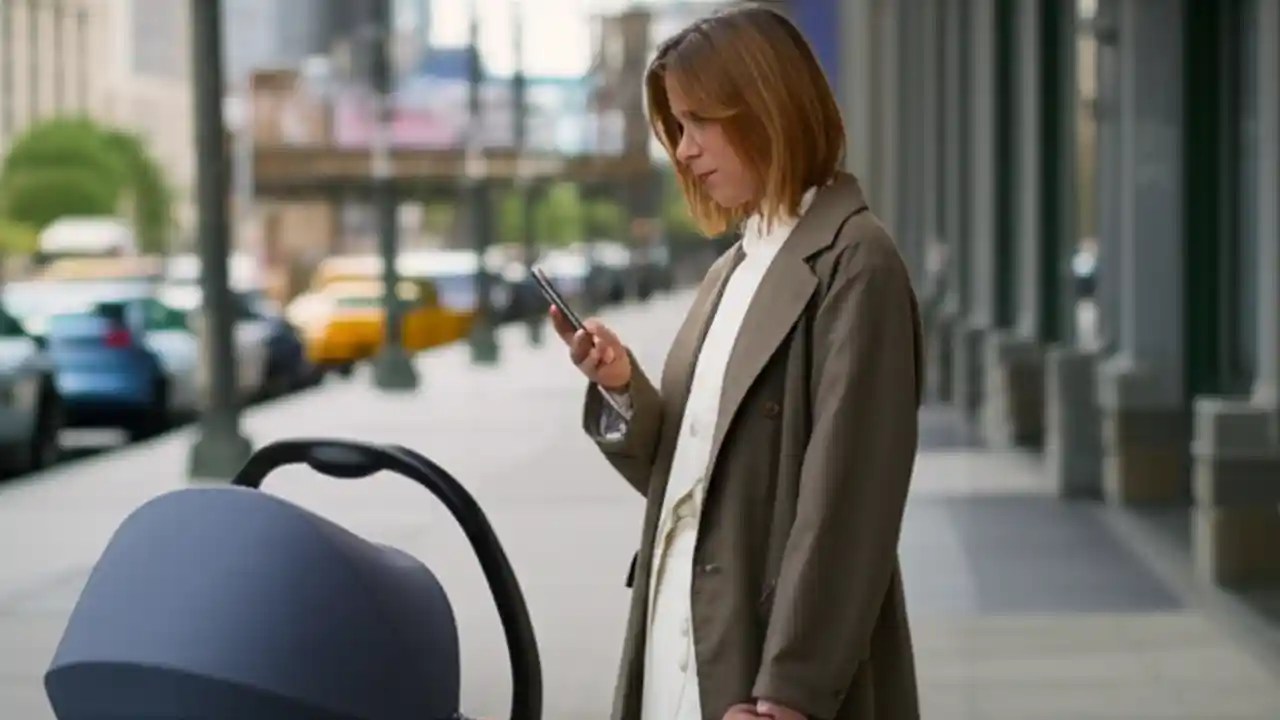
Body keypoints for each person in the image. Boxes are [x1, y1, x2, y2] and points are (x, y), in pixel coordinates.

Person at [551, 5, 923, 720]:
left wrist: (793, 689)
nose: (684, 151)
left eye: (698, 122)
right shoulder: (735, 267)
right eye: (677, 129)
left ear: (765, 106)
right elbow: (692, 473)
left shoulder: (856, 261)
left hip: (764, 671)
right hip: (681, 630)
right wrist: (624, 387)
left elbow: (851, 500)